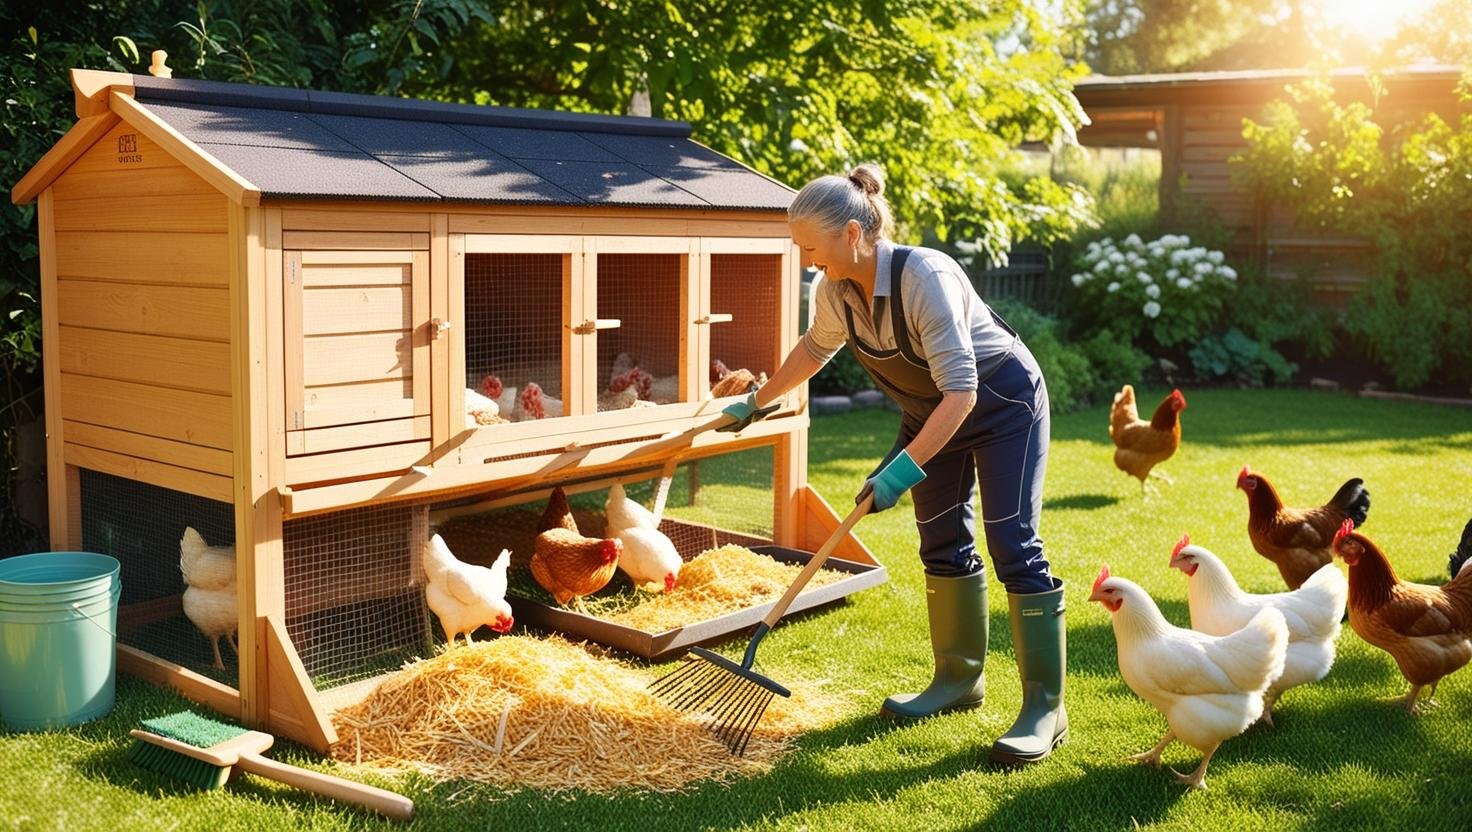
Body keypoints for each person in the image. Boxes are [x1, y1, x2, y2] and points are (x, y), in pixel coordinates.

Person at [719, 164, 1066, 765]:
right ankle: (958, 679)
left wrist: (901, 472)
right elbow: (813, 348)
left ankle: (1045, 707)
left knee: (1013, 541)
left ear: (852, 234)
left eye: (810, 249)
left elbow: (963, 393)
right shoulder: (833, 290)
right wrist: (758, 401)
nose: (805, 262)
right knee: (940, 543)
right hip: (932, 411)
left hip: (1000, 402)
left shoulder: (924, 277)